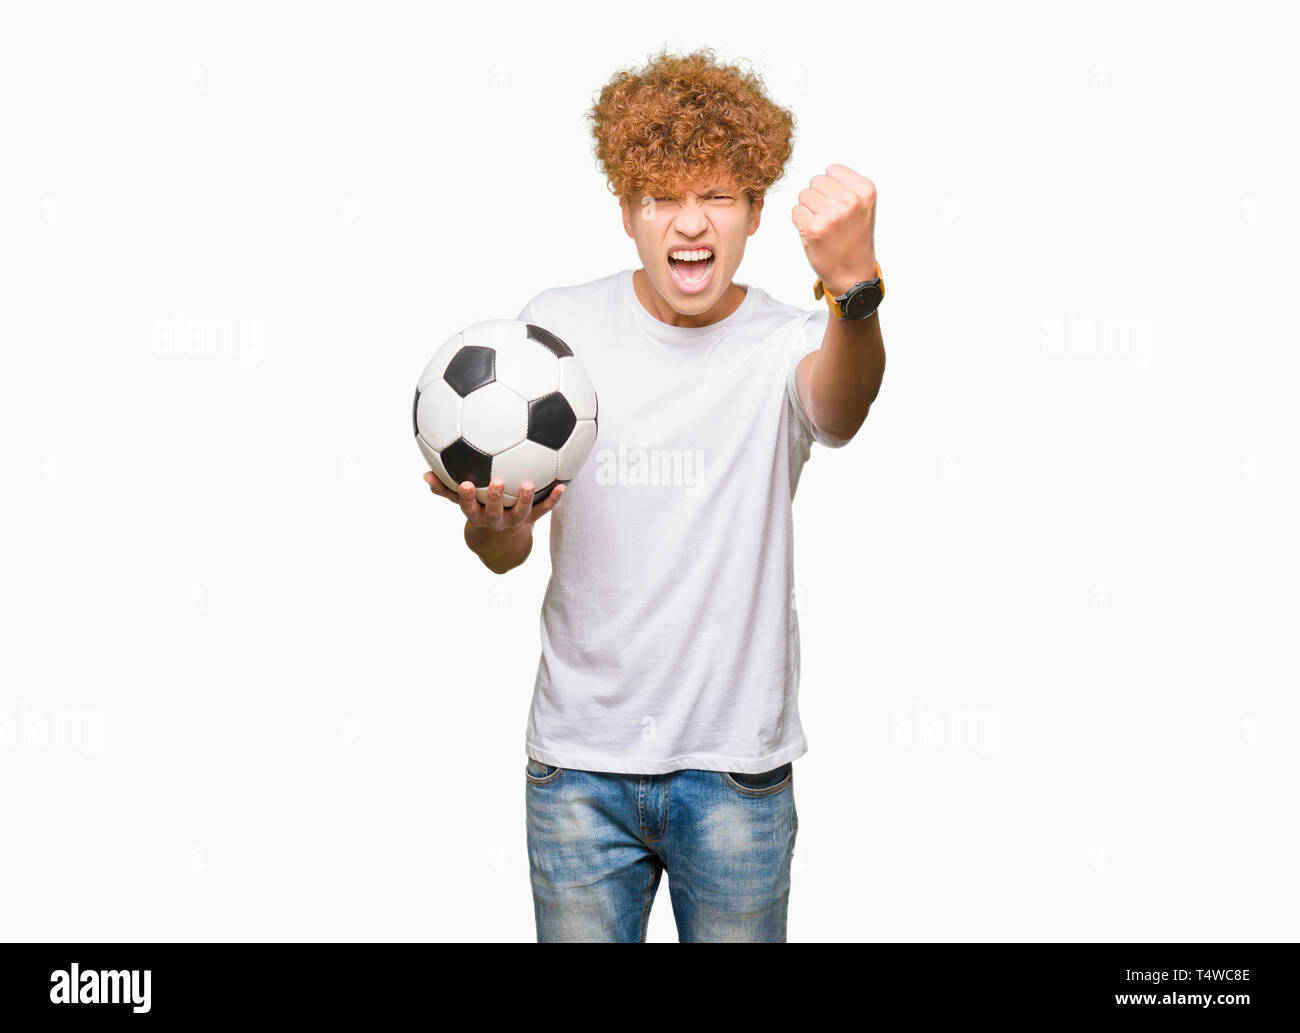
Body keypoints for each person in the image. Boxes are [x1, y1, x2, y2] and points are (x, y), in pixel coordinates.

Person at [423, 46, 886, 942]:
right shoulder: (554, 331)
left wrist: (855, 291)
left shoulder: (790, 340)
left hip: (735, 772)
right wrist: (492, 528)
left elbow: (844, 407)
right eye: (661, 195)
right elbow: (505, 552)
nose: (690, 222)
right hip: (578, 772)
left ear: (755, 209)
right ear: (626, 209)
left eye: (717, 194)